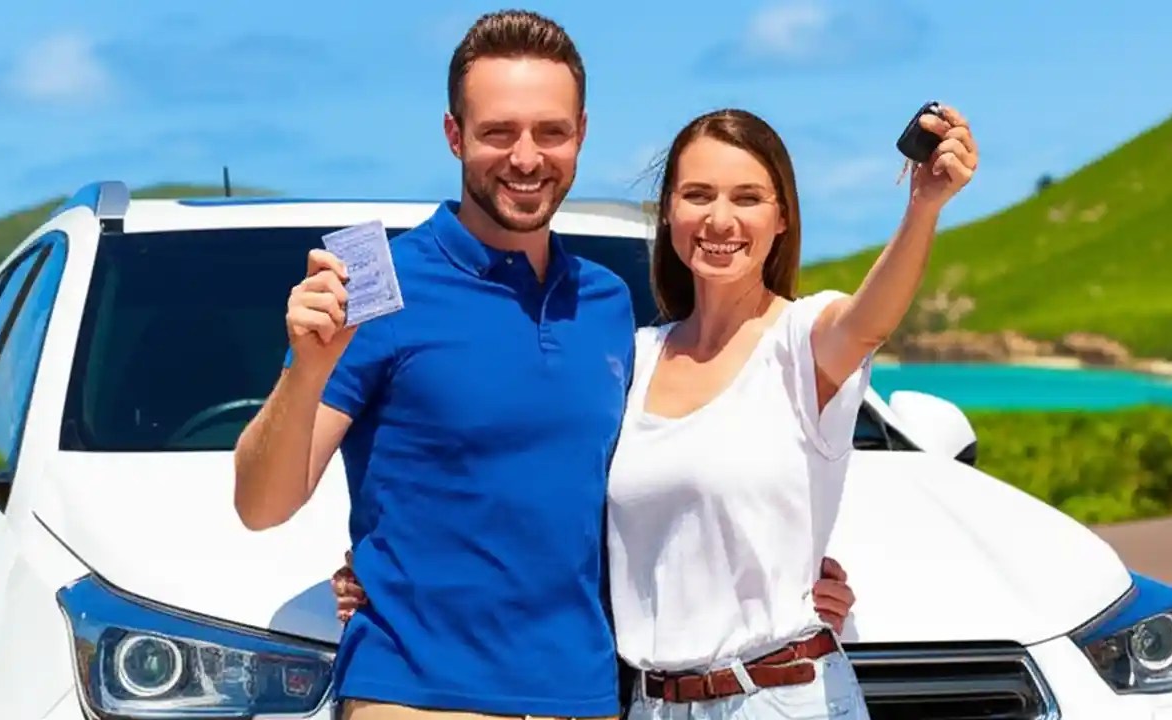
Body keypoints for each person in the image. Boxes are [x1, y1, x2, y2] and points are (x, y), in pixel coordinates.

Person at [233, 9, 858, 720]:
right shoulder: (374, 282)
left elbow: (669, 472)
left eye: (550, 132)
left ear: (581, 134)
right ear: (454, 135)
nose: (526, 158)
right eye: (499, 132)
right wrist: (306, 369)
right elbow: (261, 505)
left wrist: (789, 580)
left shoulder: (607, 303)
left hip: (587, 697)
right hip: (419, 696)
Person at [330, 104, 979, 720]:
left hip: (779, 697)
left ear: (782, 217)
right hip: (647, 702)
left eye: (747, 198)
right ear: (668, 211)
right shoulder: (633, 356)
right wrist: (399, 565)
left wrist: (923, 207)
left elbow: (870, 321)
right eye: (698, 195)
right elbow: (540, 486)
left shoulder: (805, 340)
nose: (720, 220)